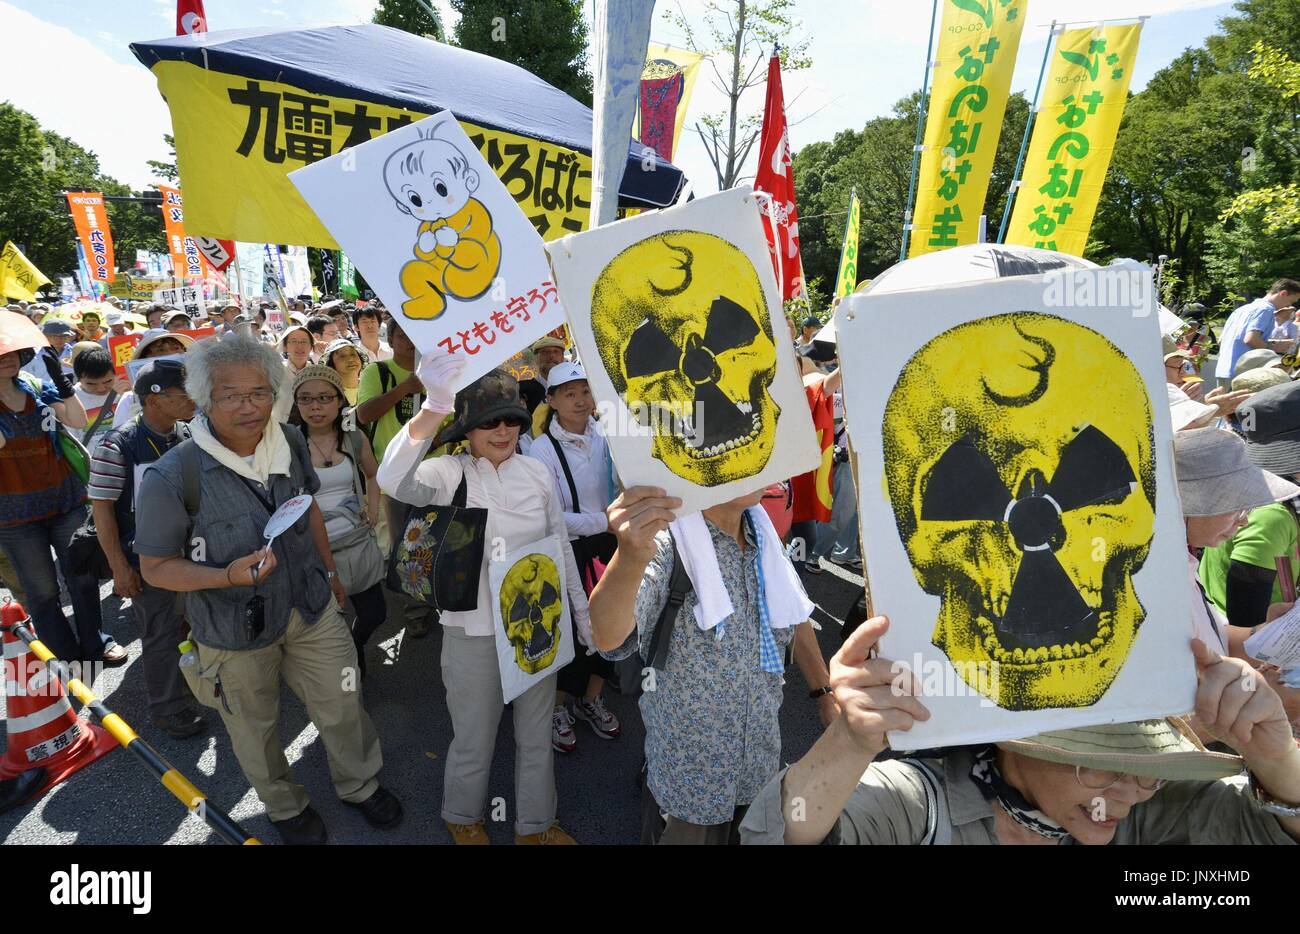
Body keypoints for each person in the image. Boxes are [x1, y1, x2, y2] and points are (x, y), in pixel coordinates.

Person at [133, 335, 402, 844]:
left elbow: (308, 510)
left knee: (343, 699)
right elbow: (155, 567)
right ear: (204, 398)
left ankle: (360, 784)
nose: (249, 406)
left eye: (259, 392)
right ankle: (284, 805)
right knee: (254, 727)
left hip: (309, 604)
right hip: (231, 630)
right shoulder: (175, 473)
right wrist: (224, 576)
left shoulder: (291, 441)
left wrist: (329, 573)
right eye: (231, 395)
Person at [740, 609, 1300, 844]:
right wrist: (850, 740)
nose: (1128, 794)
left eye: (1146, 770)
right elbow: (780, 833)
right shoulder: (918, 808)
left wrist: (1276, 759)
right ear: (1019, 745)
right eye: (1101, 767)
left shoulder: (1148, 810)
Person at [377, 360, 586, 845]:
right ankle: (463, 815)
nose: (504, 429)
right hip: (472, 632)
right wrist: (433, 407)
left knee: (536, 736)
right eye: (490, 420)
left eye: (512, 419)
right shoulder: (448, 473)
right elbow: (392, 479)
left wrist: (580, 616)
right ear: (468, 429)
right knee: (474, 736)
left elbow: (559, 546)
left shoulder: (536, 471)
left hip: (539, 627)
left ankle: (535, 826)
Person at [589, 482, 836, 844]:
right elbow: (607, 635)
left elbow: (794, 613)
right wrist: (629, 556)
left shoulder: (764, 536)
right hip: (689, 790)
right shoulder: (667, 544)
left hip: (759, 774)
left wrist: (825, 694)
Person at [88, 358, 205, 739]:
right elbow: (102, 510)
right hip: (145, 556)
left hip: (190, 551)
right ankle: (168, 709)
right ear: (154, 400)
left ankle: (194, 689)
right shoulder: (116, 444)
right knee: (160, 631)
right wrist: (119, 567)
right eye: (184, 393)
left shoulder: (186, 432)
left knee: (192, 622)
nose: (193, 399)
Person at [0, 343, 126, 666]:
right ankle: (64, 656)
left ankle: (97, 644)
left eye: (11, 352)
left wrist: (63, 383)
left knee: (82, 577)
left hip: (66, 499)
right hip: (15, 515)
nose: (7, 359)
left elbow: (78, 419)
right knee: (41, 591)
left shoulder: (35, 386)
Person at [525, 363, 621, 751]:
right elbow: (549, 518)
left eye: (585, 391)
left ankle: (591, 699)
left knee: (612, 628)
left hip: (610, 546)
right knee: (569, 632)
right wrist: (604, 520)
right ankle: (559, 708)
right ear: (550, 400)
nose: (581, 400)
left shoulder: (606, 434)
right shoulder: (540, 449)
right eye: (569, 393)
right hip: (571, 552)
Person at [288, 365, 388, 678]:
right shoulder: (288, 444)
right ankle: (346, 667)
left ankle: (354, 646)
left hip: (354, 539)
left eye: (323, 398)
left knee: (375, 613)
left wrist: (372, 508)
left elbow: (372, 474)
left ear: (339, 401)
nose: (314, 407)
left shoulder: (353, 437)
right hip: (313, 548)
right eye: (305, 399)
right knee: (331, 617)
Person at [1215, 279, 1300, 389]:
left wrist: (1273, 342)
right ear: (1283, 293)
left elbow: (1221, 340)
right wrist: (1274, 348)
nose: (1289, 306)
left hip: (1223, 368)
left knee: (1222, 404)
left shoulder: (1242, 309)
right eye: (1291, 302)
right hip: (1245, 373)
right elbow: (1250, 339)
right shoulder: (1267, 309)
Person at [111, 329, 195, 429]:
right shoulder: (130, 398)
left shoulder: (202, 387)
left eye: (176, 348)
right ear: (144, 358)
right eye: (160, 350)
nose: (170, 354)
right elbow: (121, 435)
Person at [71, 345, 120, 454]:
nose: (101, 388)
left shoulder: (124, 392)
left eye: (108, 381)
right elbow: (71, 440)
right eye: (91, 384)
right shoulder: (71, 399)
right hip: (91, 464)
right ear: (79, 378)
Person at [523, 335, 566, 436]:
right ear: (536, 359)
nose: (551, 356)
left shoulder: (576, 387)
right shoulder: (524, 392)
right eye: (545, 352)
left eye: (556, 351)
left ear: (563, 357)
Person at [273, 324, 315, 424]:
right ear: (285, 346)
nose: (299, 346)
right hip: (278, 429)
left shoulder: (316, 373)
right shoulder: (275, 370)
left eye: (304, 342)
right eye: (294, 341)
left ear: (311, 347)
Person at [320, 339, 367, 406]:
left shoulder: (371, 387)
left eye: (353, 354)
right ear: (331, 363)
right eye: (342, 356)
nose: (350, 359)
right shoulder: (327, 394)